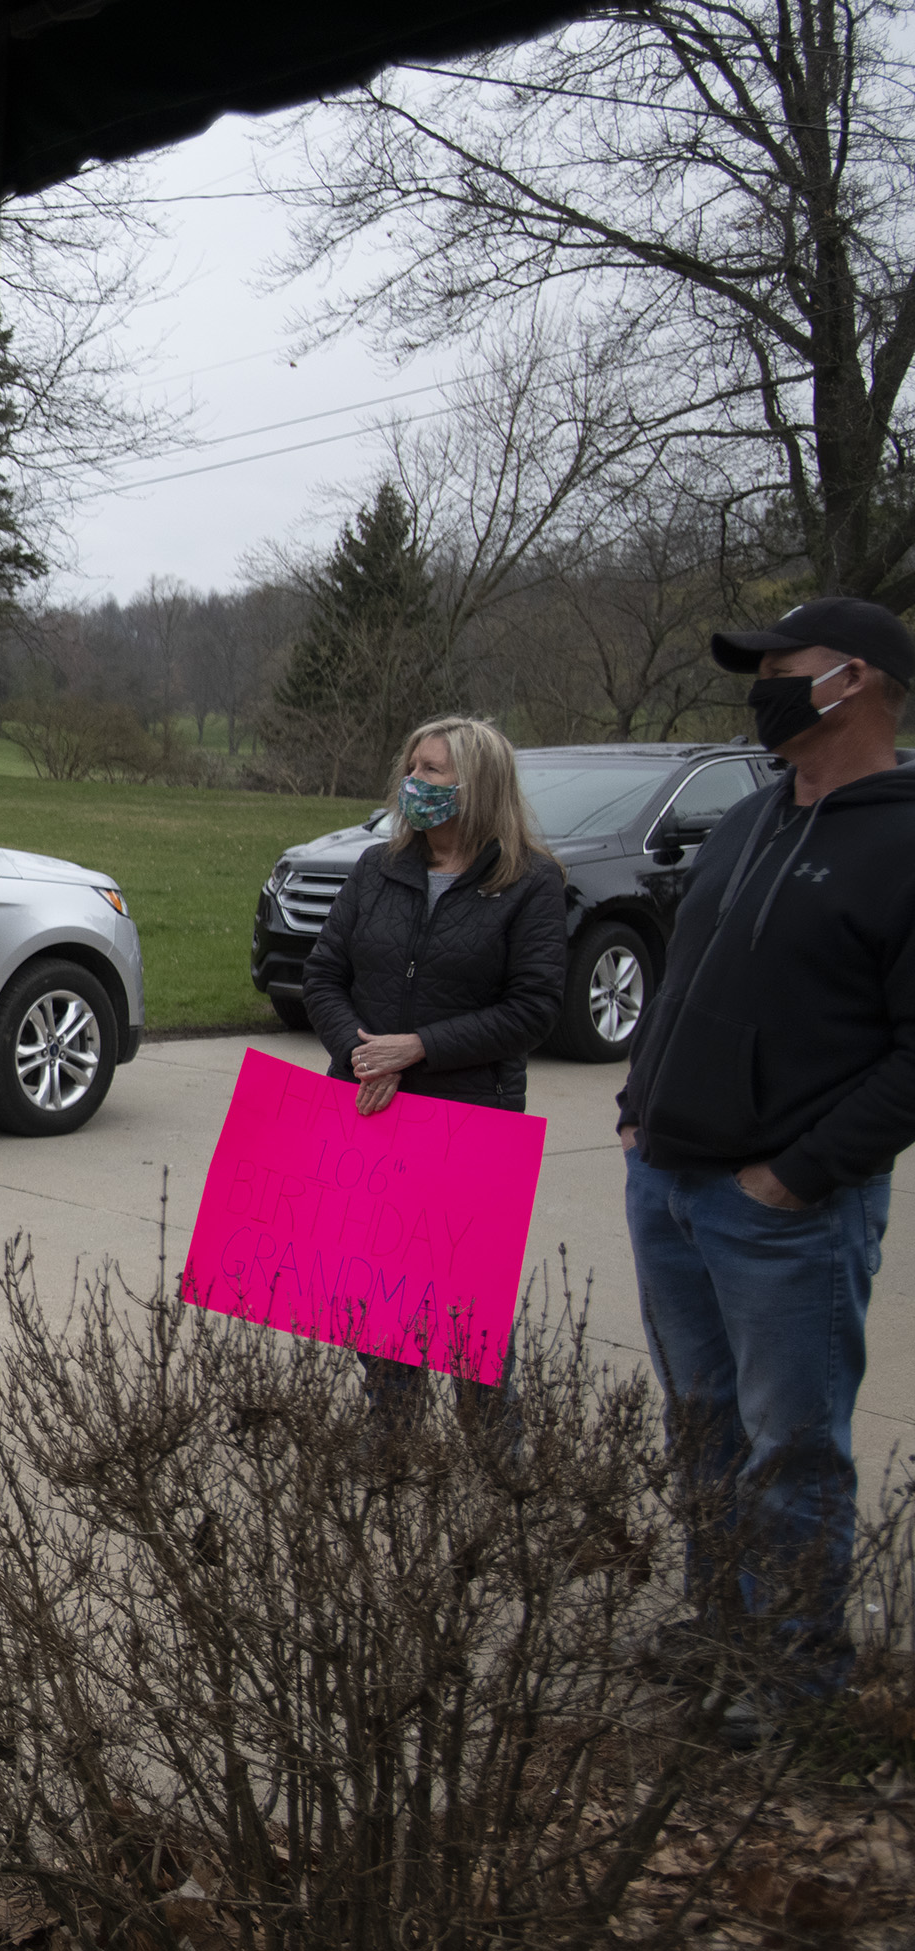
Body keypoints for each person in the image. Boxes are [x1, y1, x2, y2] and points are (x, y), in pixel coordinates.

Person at [619, 596, 915, 1726]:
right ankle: (723, 1627)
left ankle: (791, 1678)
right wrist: (638, 1098)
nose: (760, 689)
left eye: (779, 669)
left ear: (854, 684)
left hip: (782, 1212)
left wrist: (797, 1171)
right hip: (669, 1182)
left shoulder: (898, 840)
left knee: (790, 1448)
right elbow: (687, 975)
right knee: (701, 1426)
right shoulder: (749, 819)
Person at [300, 715, 566, 1407]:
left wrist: (420, 1047)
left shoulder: (530, 882)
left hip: (470, 1119)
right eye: (412, 768)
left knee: (467, 1322)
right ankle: (392, 1453)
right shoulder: (377, 869)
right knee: (377, 1307)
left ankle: (499, 1477)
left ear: (476, 786)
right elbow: (324, 974)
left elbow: (534, 1008)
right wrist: (359, 1051)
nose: (413, 783)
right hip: (371, 1116)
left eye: (432, 771)